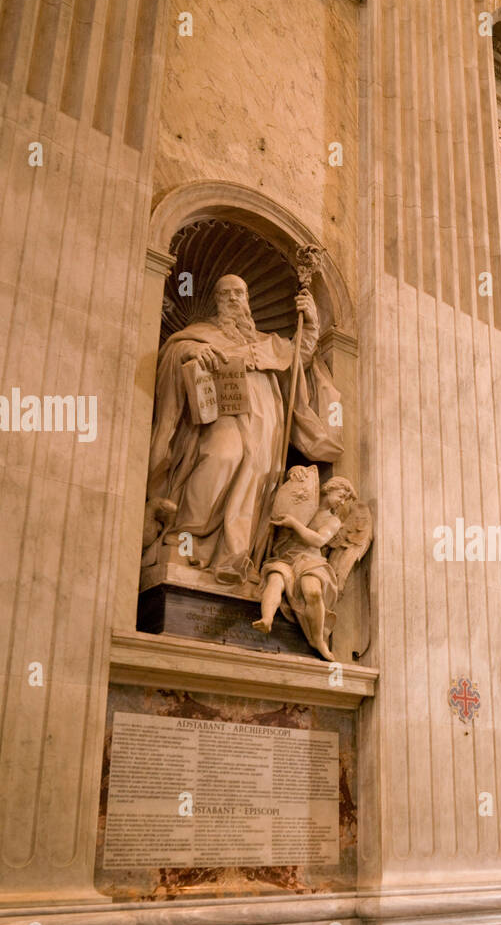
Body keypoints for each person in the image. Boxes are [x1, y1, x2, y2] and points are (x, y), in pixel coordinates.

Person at [145, 274, 342, 586]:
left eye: (240, 293)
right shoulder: (203, 334)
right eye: (226, 294)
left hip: (267, 424)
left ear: (248, 300)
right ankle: (187, 539)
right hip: (223, 413)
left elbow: (298, 356)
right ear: (217, 301)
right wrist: (193, 353)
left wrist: (313, 322)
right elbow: (174, 351)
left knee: (259, 475)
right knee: (223, 456)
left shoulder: (267, 342)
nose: (234, 299)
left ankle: (234, 555)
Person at [253, 469, 372, 661]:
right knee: (275, 578)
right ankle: (267, 619)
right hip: (286, 557)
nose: (341, 502)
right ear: (328, 489)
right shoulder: (304, 500)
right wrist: (294, 471)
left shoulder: (333, 521)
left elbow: (317, 541)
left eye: (344, 500)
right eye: (341, 496)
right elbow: (288, 494)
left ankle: (317, 639)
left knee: (313, 591)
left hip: (311, 560)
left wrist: (294, 524)